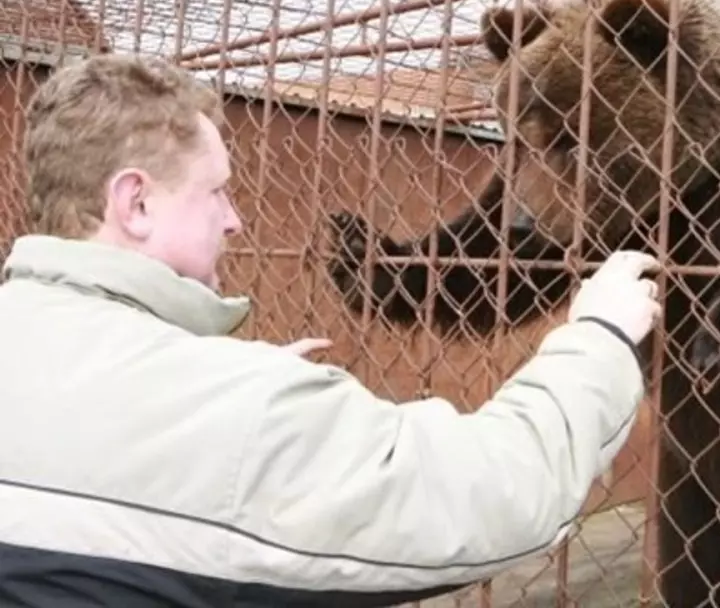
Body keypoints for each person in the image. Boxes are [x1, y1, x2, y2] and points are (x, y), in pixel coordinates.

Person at [0, 53, 661, 607]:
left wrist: (224, 387)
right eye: (217, 192)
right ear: (135, 202)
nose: (235, 221)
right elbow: (488, 498)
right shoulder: (239, 412)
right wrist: (600, 337)